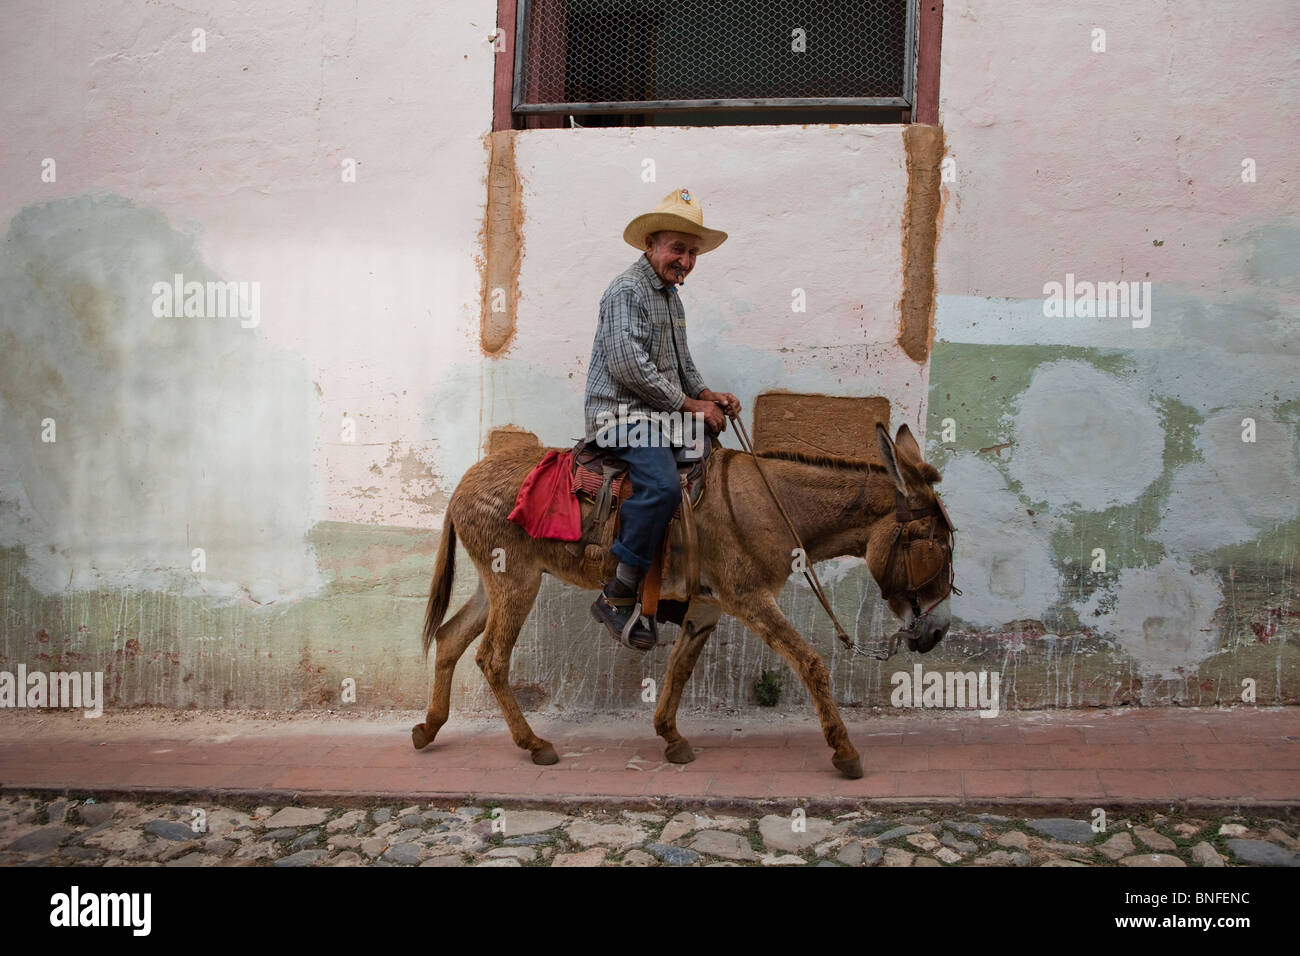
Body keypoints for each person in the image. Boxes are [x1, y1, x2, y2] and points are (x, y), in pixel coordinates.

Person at [583, 188, 741, 650]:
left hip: (658, 415)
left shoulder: (671, 298)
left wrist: (708, 394)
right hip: (620, 416)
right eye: (678, 249)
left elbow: (682, 365)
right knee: (664, 486)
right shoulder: (626, 291)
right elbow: (628, 364)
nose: (686, 261)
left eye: (693, 253)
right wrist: (692, 406)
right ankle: (618, 592)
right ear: (649, 244)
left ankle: (674, 585)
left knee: (708, 471)